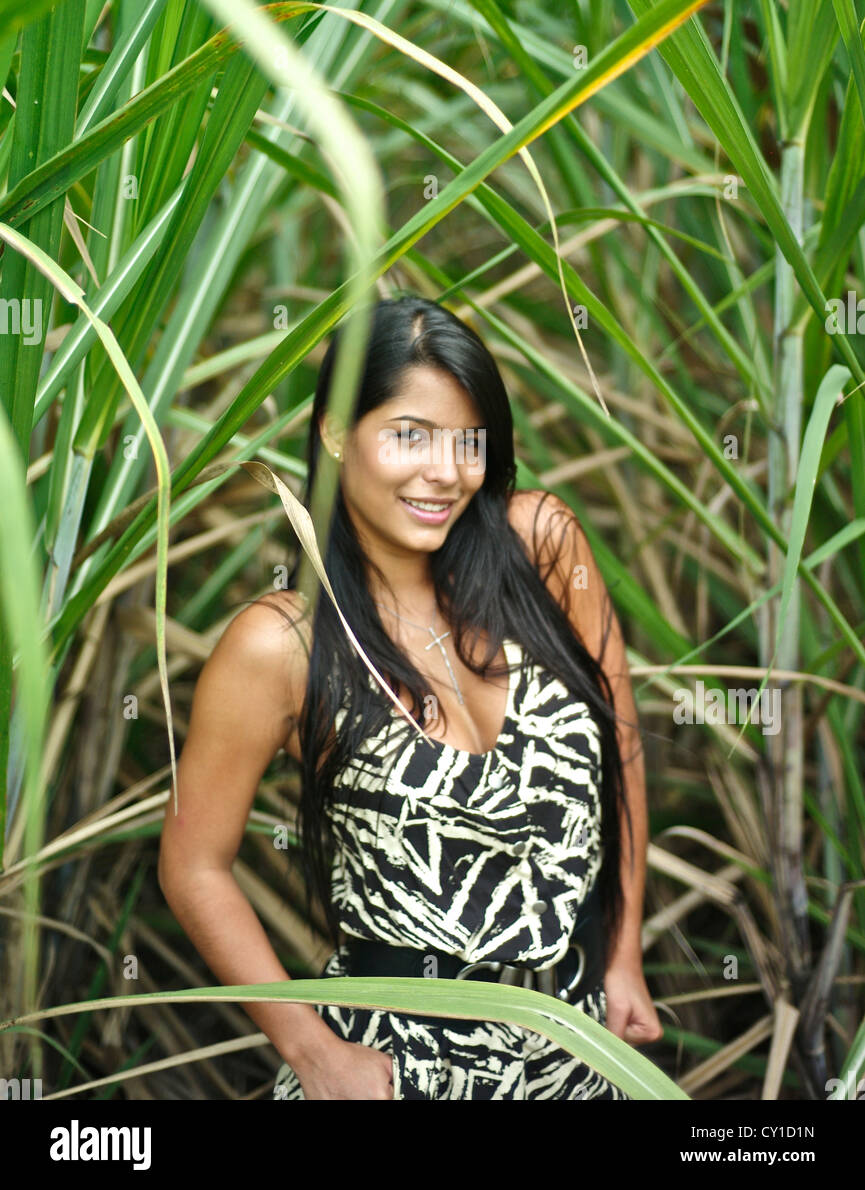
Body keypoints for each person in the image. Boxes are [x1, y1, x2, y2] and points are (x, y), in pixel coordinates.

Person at [158, 294, 662, 1100]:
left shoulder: (539, 543)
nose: (446, 471)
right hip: (401, 1066)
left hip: (577, 1045)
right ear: (332, 434)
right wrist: (312, 1051)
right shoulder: (280, 645)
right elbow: (192, 864)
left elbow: (620, 742)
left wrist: (622, 953)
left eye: (468, 440)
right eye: (408, 435)